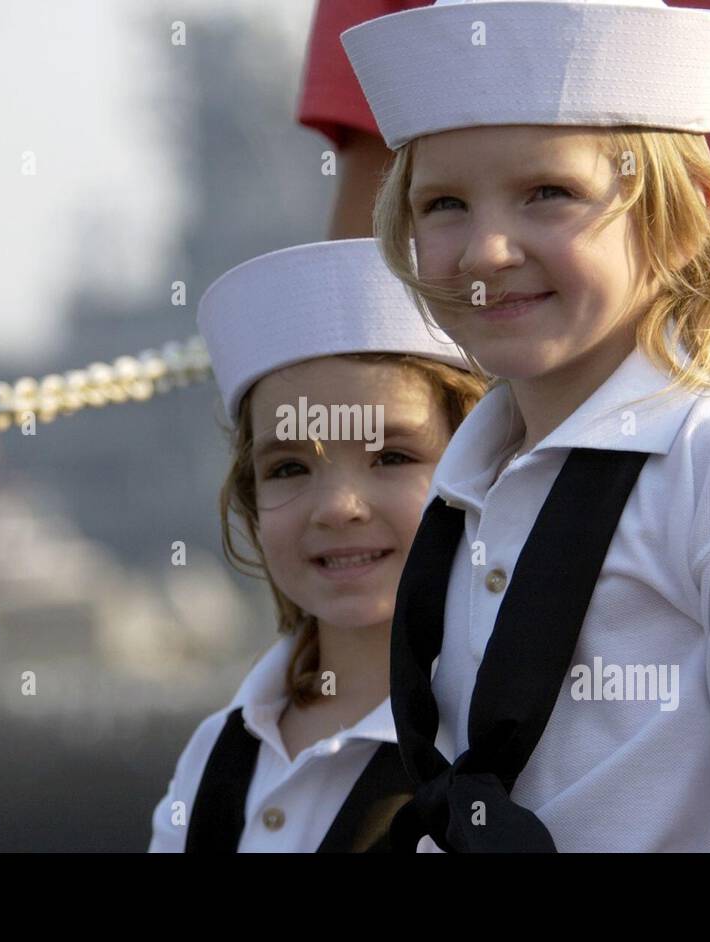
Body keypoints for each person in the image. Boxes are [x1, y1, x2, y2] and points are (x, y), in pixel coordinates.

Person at [302, 0, 710, 854]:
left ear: (686, 213)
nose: (486, 252)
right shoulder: (466, 482)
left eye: (549, 193)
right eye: (444, 205)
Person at [148, 238, 485, 851]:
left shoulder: (504, 746)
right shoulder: (214, 758)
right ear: (250, 498)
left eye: (392, 457)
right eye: (290, 468)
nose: (338, 508)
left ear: (477, 467)